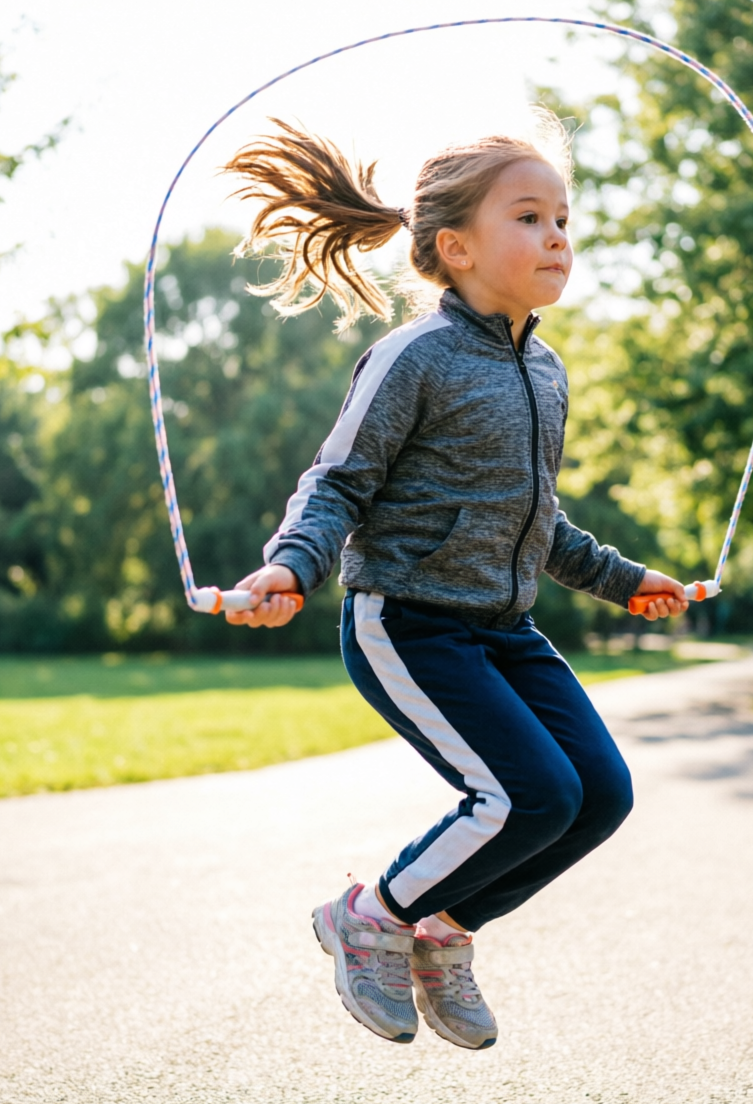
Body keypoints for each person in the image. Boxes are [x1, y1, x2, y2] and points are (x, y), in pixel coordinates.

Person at [218, 112, 691, 1049]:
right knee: (526, 797)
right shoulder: (412, 356)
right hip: (411, 623)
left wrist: (626, 580)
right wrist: (292, 565)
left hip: (505, 630)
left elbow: (536, 520)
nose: (556, 235)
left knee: (597, 793)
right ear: (456, 247)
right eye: (529, 217)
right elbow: (340, 481)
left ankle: (442, 932)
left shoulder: (546, 370)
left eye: (563, 217)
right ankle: (370, 914)